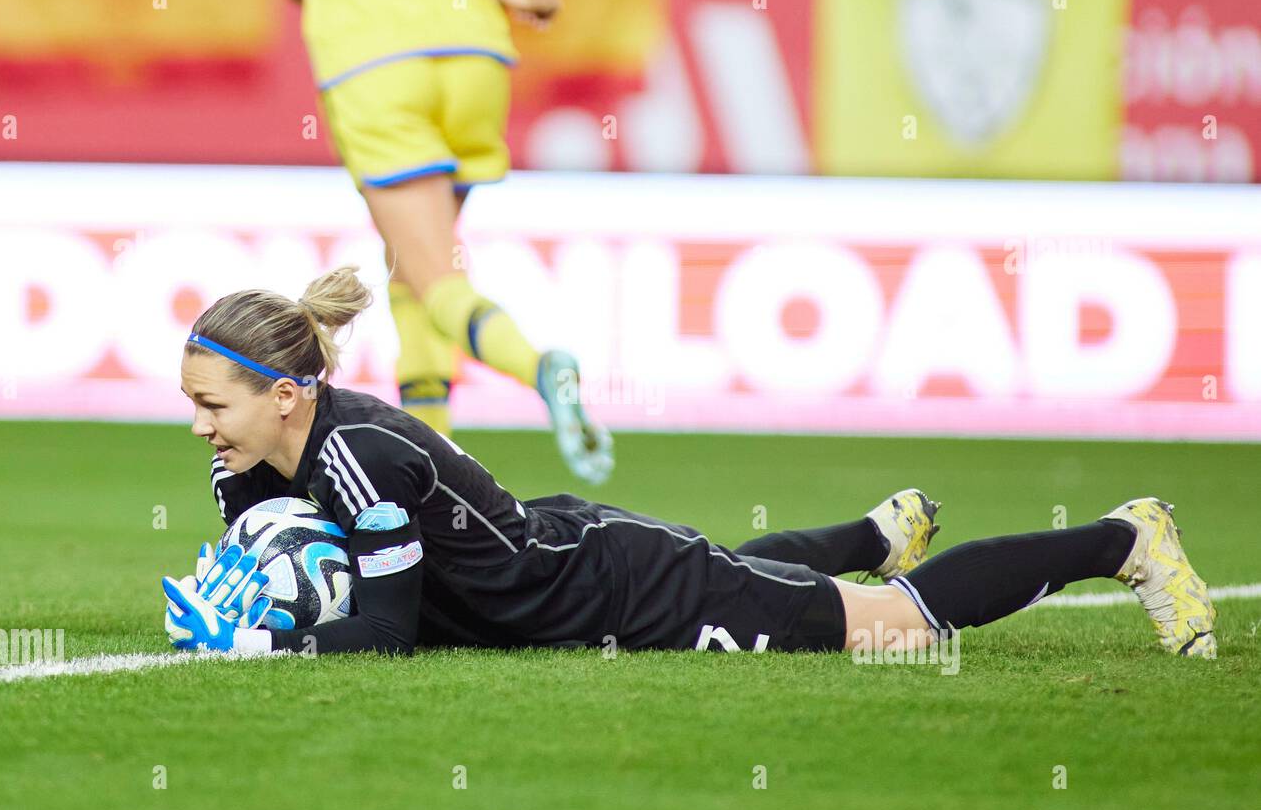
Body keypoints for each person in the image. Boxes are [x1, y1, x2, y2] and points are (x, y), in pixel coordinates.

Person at [163, 268, 1219, 660]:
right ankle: (868, 532)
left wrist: (262, 645)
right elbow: (308, 574)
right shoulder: (244, 464)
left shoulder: (357, 453)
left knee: (886, 628)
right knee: (752, 573)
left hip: (613, 579)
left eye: (214, 403)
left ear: (286, 392)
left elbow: (384, 632)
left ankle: (1124, 537)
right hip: (560, 586)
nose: (202, 426)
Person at [241, 0, 613, 483]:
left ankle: (541, 368)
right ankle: (431, 459)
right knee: (409, 269)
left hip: (375, 60)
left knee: (436, 278)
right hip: (474, 56)